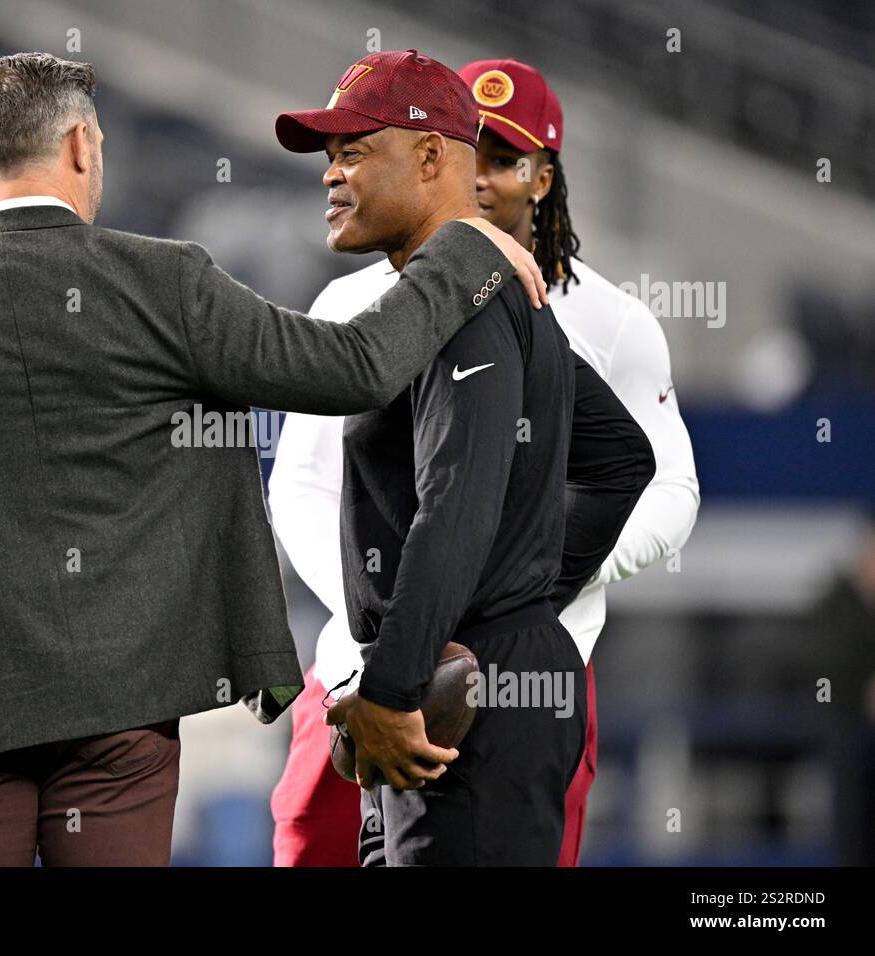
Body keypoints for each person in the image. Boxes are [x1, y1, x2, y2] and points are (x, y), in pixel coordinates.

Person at [0, 51, 548, 867]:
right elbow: (356, 367)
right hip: (122, 714)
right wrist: (467, 249)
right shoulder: (168, 285)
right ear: (84, 145)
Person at [268, 58, 699, 867]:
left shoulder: (474, 303)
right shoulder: (491, 287)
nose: (330, 175)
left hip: (447, 700)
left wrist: (424, 662)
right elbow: (617, 460)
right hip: (434, 679)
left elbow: (460, 504)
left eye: (354, 152)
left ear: (434, 160)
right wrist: (507, 597)